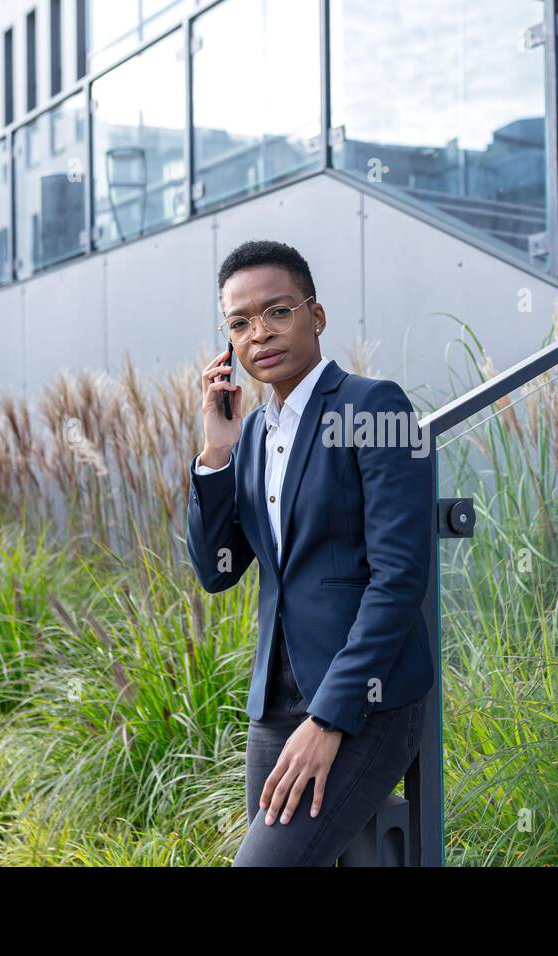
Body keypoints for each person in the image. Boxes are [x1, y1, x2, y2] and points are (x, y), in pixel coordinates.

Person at [185, 239, 434, 866]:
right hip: (274, 702)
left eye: (277, 311)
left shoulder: (374, 406)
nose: (258, 334)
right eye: (239, 323)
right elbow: (217, 571)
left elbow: (398, 580)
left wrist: (330, 719)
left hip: (363, 700)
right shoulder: (251, 437)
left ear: (315, 317)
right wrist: (215, 455)